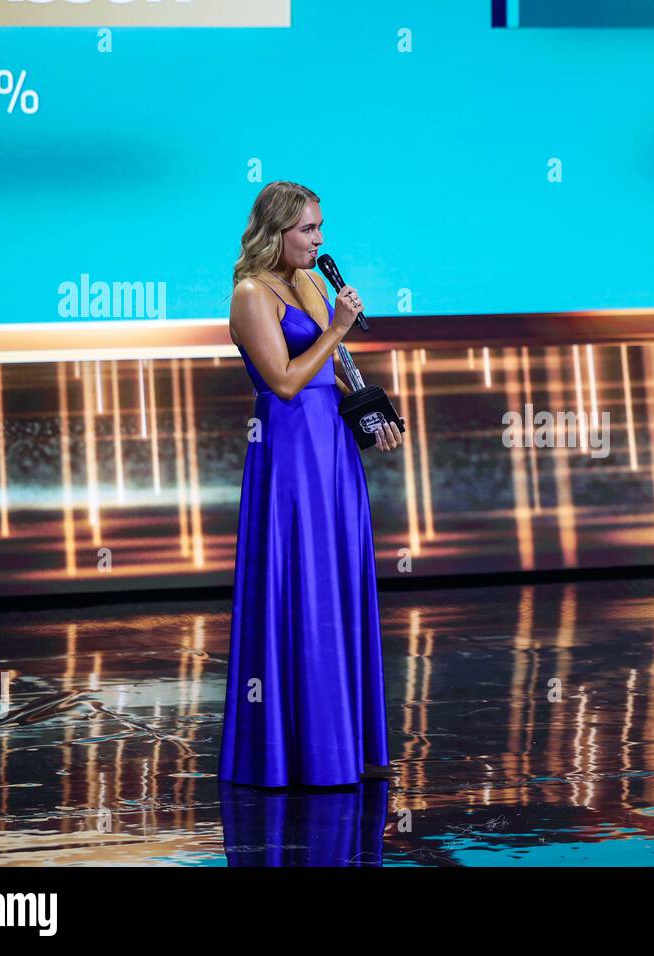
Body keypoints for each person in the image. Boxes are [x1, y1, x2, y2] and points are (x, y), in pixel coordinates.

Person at [218, 181, 404, 787]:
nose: (320, 240)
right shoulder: (252, 294)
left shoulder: (310, 282)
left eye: (320, 227)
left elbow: (334, 368)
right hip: (291, 447)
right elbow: (285, 382)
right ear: (275, 232)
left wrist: (370, 412)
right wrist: (338, 329)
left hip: (331, 445)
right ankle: (299, 750)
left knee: (335, 582)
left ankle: (341, 743)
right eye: (308, 230)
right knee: (299, 582)